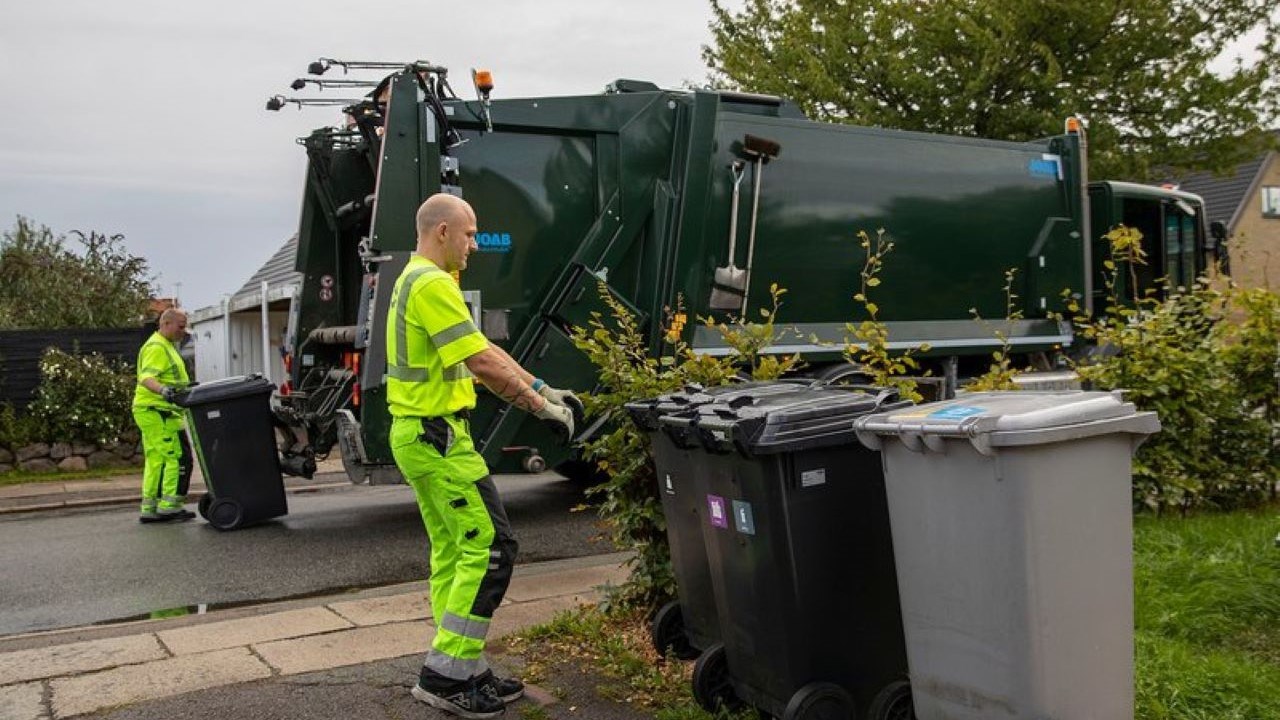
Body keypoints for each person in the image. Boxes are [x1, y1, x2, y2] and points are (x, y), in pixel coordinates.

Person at [387, 193, 579, 718]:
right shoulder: (429, 283)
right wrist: (540, 407)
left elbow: (486, 350)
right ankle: (445, 676)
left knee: (456, 552)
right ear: (442, 231)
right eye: (470, 234)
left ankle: (461, 668)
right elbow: (480, 364)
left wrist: (542, 385)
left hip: (425, 436)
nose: (475, 244)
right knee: (492, 548)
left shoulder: (423, 281)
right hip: (437, 438)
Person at [132, 308, 195, 523]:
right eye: (180, 326)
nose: (183, 331)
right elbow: (146, 378)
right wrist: (164, 391)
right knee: (176, 457)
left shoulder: (164, 345)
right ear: (166, 324)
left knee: (156, 460)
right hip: (159, 410)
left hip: (155, 411)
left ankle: (150, 508)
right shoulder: (157, 347)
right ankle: (170, 506)